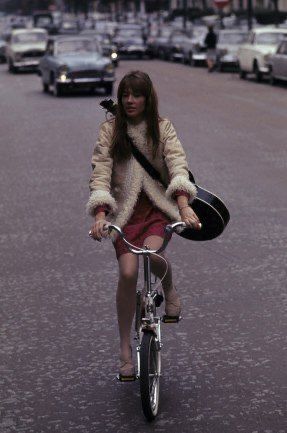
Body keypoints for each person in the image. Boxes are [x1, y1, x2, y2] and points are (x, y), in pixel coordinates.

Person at [87, 70, 200, 379]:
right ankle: (125, 349)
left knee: (153, 256)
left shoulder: (163, 128)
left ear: (148, 98)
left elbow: (178, 165)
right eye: (125, 95)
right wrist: (100, 215)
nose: (130, 100)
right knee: (127, 273)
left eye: (136, 94)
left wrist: (183, 206)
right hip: (124, 214)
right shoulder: (110, 130)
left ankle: (170, 290)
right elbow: (100, 172)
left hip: (156, 211)